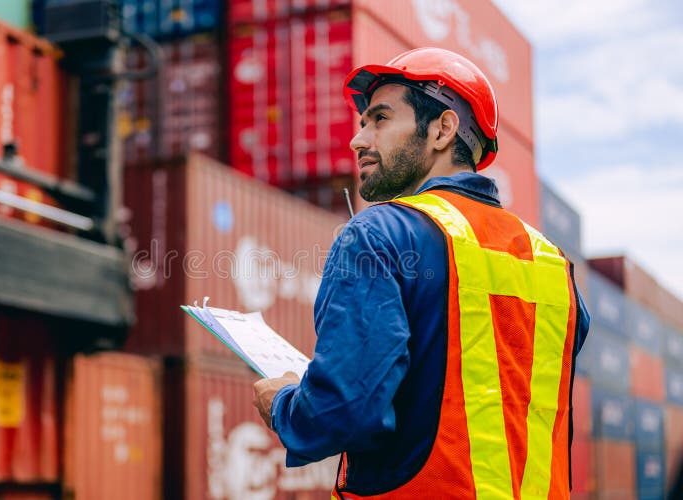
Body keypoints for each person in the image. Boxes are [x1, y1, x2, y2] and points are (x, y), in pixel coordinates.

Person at [252, 47, 590, 499]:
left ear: (442, 129)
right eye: (362, 124)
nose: (358, 141)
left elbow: (341, 411)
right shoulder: (553, 264)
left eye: (380, 119)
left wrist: (283, 404)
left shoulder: (379, 234)